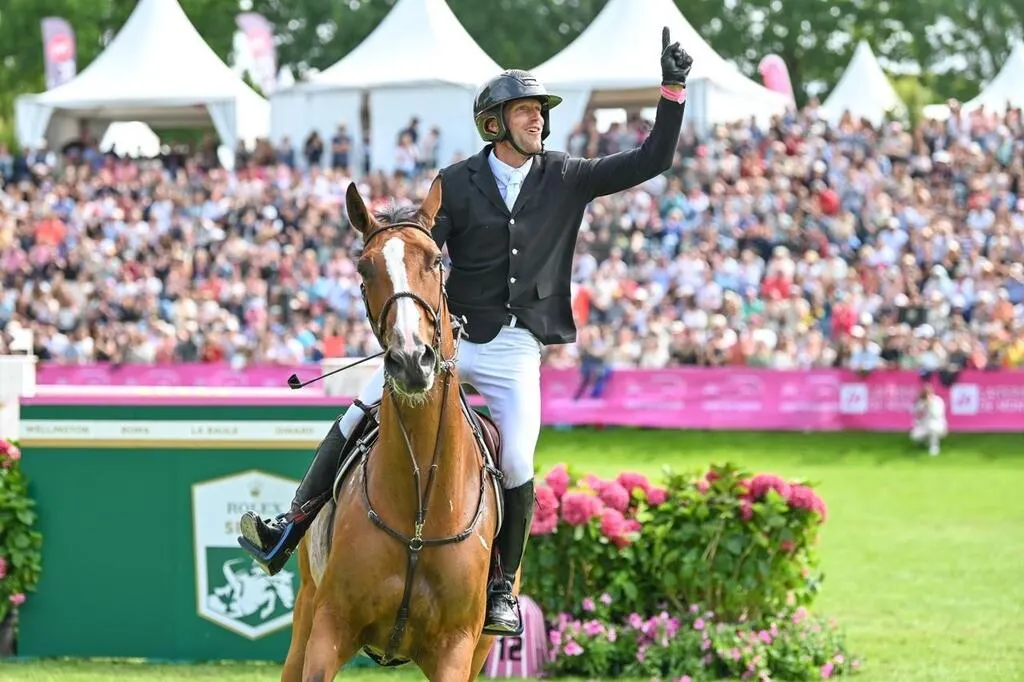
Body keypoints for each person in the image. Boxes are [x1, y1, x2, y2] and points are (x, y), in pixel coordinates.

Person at [237, 26, 694, 636]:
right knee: (357, 412)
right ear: (494, 124)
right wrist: (405, 315)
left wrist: (672, 91)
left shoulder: (567, 174)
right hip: (450, 342)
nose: (538, 120)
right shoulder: (454, 182)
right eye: (526, 111)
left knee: (518, 458)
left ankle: (500, 589)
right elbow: (425, 253)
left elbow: (652, 159)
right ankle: (288, 530)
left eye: (538, 112)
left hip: (513, 349)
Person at [911, 382, 947, 456]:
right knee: (915, 436)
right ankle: (927, 441)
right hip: (924, 425)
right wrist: (923, 405)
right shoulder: (921, 402)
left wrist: (930, 405)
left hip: (938, 425)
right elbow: (915, 413)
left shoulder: (938, 401)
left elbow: (937, 415)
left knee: (932, 428)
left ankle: (934, 447)